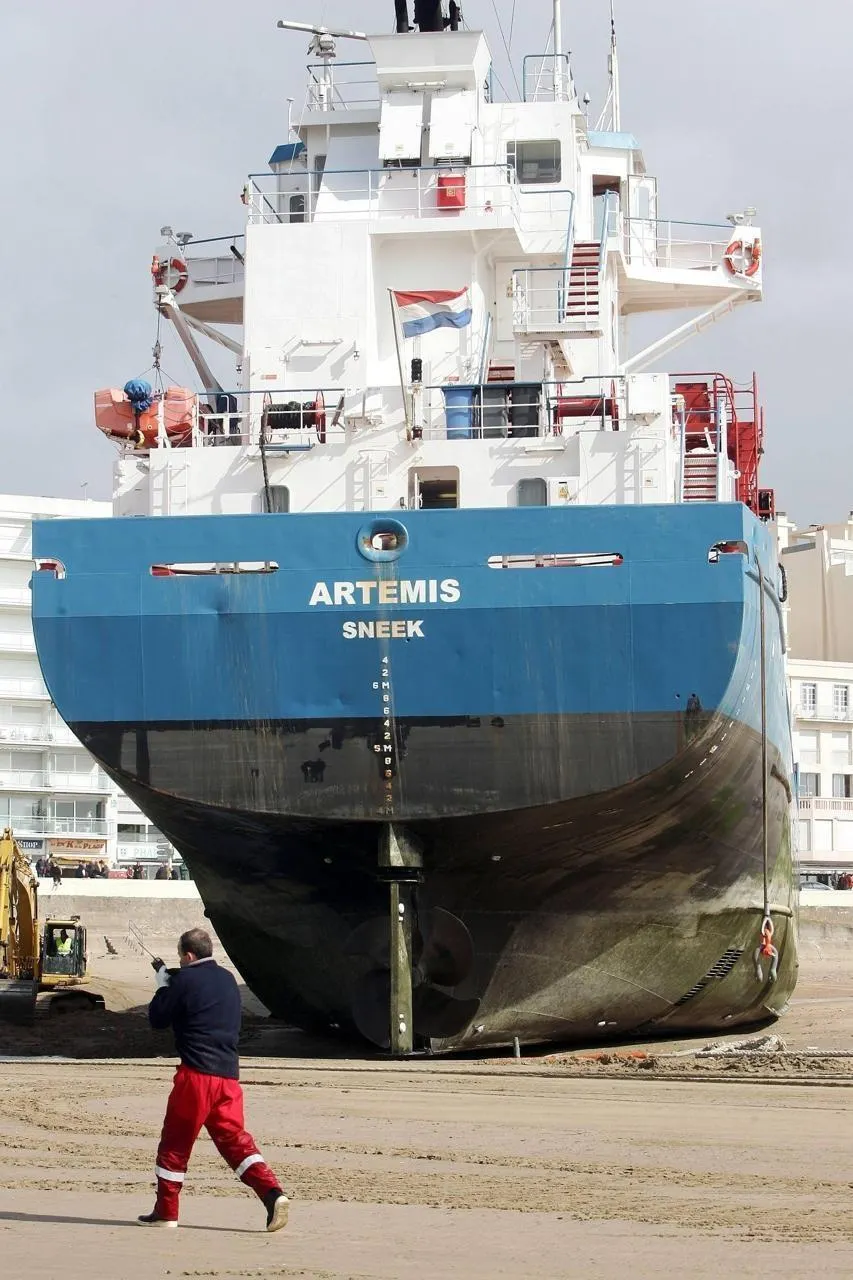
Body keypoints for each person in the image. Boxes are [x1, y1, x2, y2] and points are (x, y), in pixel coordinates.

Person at [139, 928, 288, 1232]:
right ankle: (272, 1193)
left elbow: (157, 1019)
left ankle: (166, 1211)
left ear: (188, 955)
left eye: (181, 955)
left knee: (175, 1144)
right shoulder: (227, 980)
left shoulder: (183, 981)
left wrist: (163, 986)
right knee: (236, 1143)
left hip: (196, 1076)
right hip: (229, 1077)